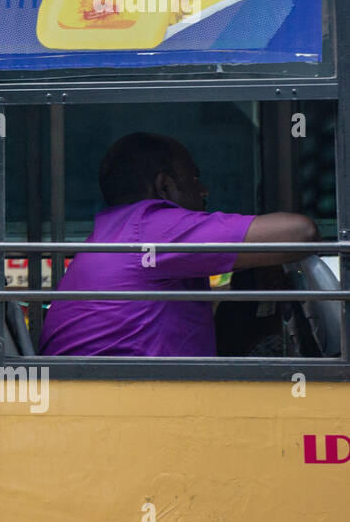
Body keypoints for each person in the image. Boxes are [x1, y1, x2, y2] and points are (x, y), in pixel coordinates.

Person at [40, 132, 318, 357]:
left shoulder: (116, 231)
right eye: (195, 179)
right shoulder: (150, 227)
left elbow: (222, 343)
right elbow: (300, 232)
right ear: (164, 187)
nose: (204, 191)